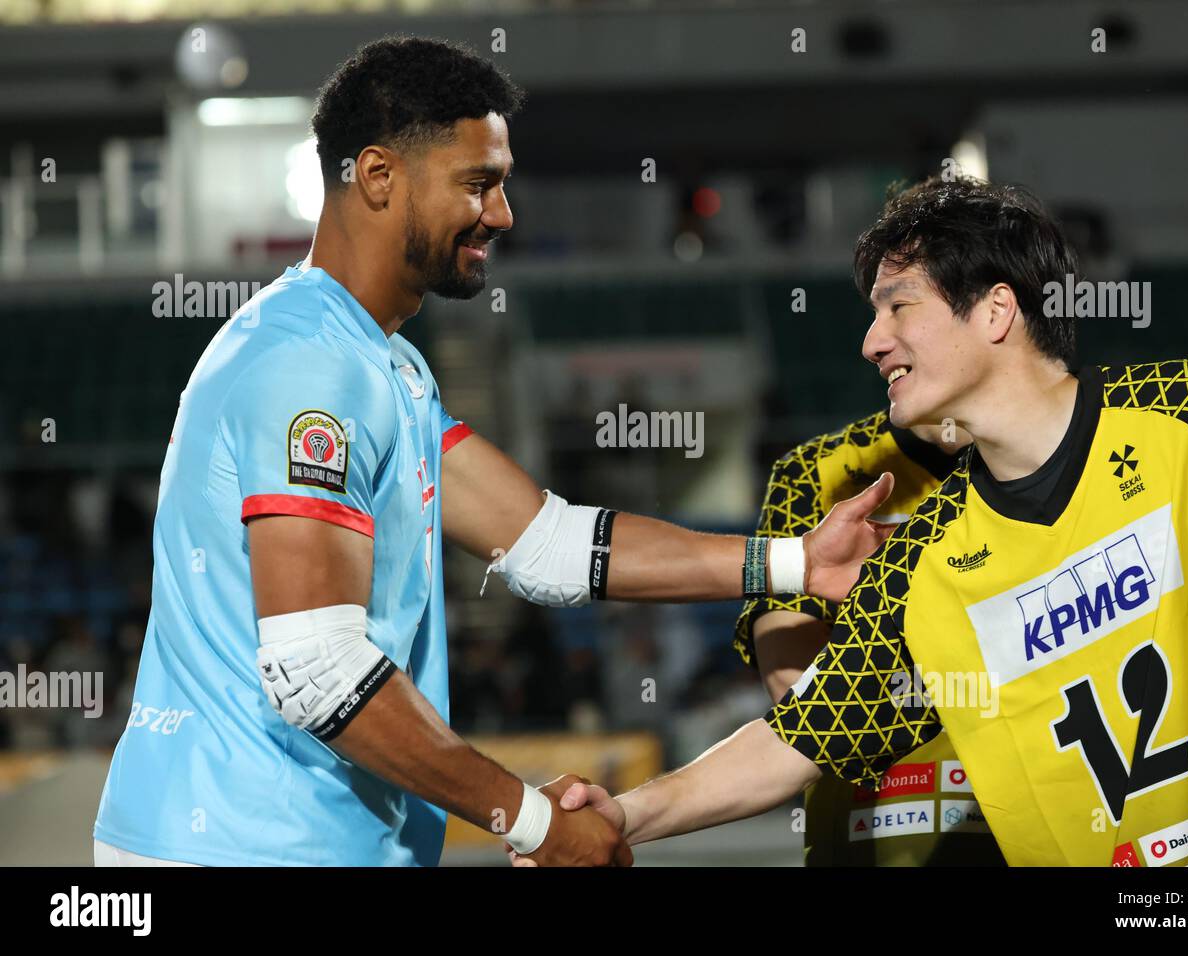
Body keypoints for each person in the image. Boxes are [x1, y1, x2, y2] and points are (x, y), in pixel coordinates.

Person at [91, 36, 888, 868]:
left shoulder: (381, 363)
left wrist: (798, 563)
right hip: (243, 847)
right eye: (479, 184)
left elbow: (546, 544)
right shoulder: (309, 367)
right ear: (377, 177)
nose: (502, 215)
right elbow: (316, 670)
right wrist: (533, 821)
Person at [530, 175, 1188, 868]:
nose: (872, 342)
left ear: (997, 309)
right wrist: (625, 813)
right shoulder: (923, 556)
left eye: (900, 306)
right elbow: (801, 735)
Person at [736, 412, 1006, 865]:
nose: (878, 344)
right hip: (884, 817)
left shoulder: (1063, 448)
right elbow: (792, 685)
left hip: (1051, 802)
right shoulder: (813, 470)